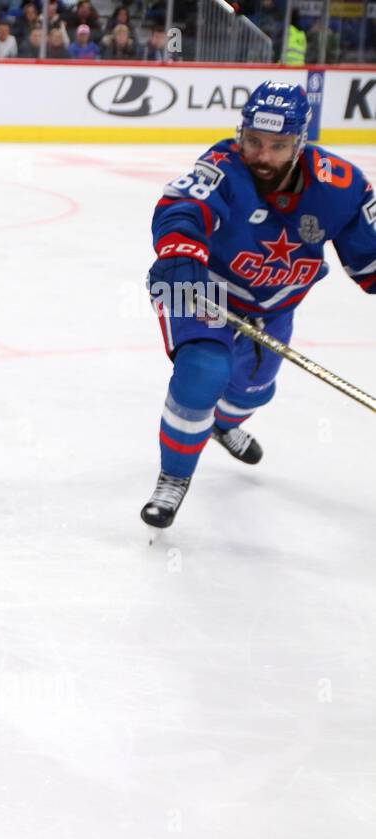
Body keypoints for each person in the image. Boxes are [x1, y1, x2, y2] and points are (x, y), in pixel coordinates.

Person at [141, 82, 376, 528]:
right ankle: (173, 478)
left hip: (273, 305)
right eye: (253, 141)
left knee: (254, 391)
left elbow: (371, 257)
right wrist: (178, 255)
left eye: (277, 146)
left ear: (300, 143)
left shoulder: (341, 187)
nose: (262, 156)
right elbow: (183, 209)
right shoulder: (223, 167)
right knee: (204, 372)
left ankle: (222, 425)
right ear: (240, 133)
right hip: (203, 290)